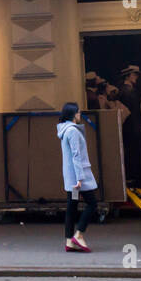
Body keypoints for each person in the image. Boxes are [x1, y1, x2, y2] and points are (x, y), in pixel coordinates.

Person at [57, 101, 98, 253]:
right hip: (79, 179)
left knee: (72, 207)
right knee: (92, 204)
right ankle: (79, 235)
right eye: (79, 112)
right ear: (73, 114)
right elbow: (76, 155)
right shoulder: (73, 131)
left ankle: (69, 241)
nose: (80, 114)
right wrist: (80, 179)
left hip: (72, 179)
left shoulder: (65, 130)